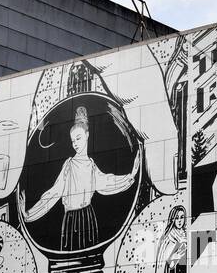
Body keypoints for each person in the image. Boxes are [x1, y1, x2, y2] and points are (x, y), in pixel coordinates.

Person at [23, 103, 142, 251]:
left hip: (87, 217)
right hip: (70, 219)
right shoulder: (69, 165)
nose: (75, 144)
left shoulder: (91, 165)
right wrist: (29, 214)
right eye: (73, 141)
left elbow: (107, 182)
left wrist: (131, 175)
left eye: (78, 138)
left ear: (87, 135)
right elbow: (54, 193)